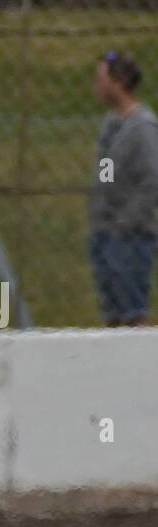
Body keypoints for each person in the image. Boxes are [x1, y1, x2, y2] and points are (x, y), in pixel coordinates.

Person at [89, 51, 158, 327]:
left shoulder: (142, 127)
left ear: (118, 82)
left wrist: (125, 222)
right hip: (104, 232)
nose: (97, 86)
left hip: (130, 236)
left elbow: (153, 179)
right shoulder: (111, 126)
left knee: (132, 313)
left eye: (101, 79)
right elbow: (106, 173)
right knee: (112, 314)